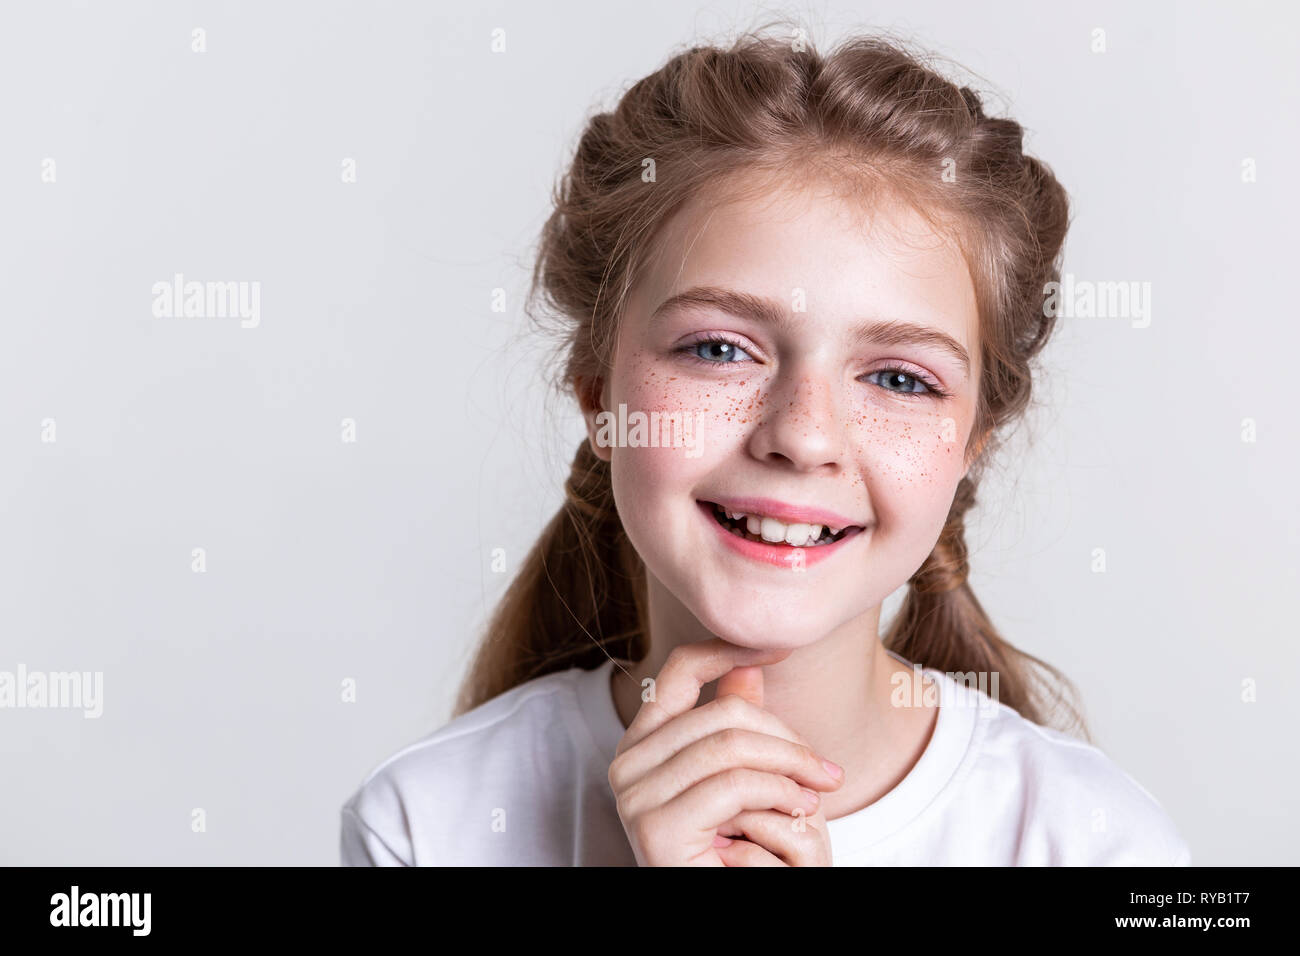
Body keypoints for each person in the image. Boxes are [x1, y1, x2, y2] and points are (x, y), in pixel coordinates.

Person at [340, 25, 1191, 866]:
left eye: (899, 378)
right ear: (600, 396)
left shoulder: (1102, 847)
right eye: (718, 349)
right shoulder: (426, 825)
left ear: (972, 444)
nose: (803, 435)